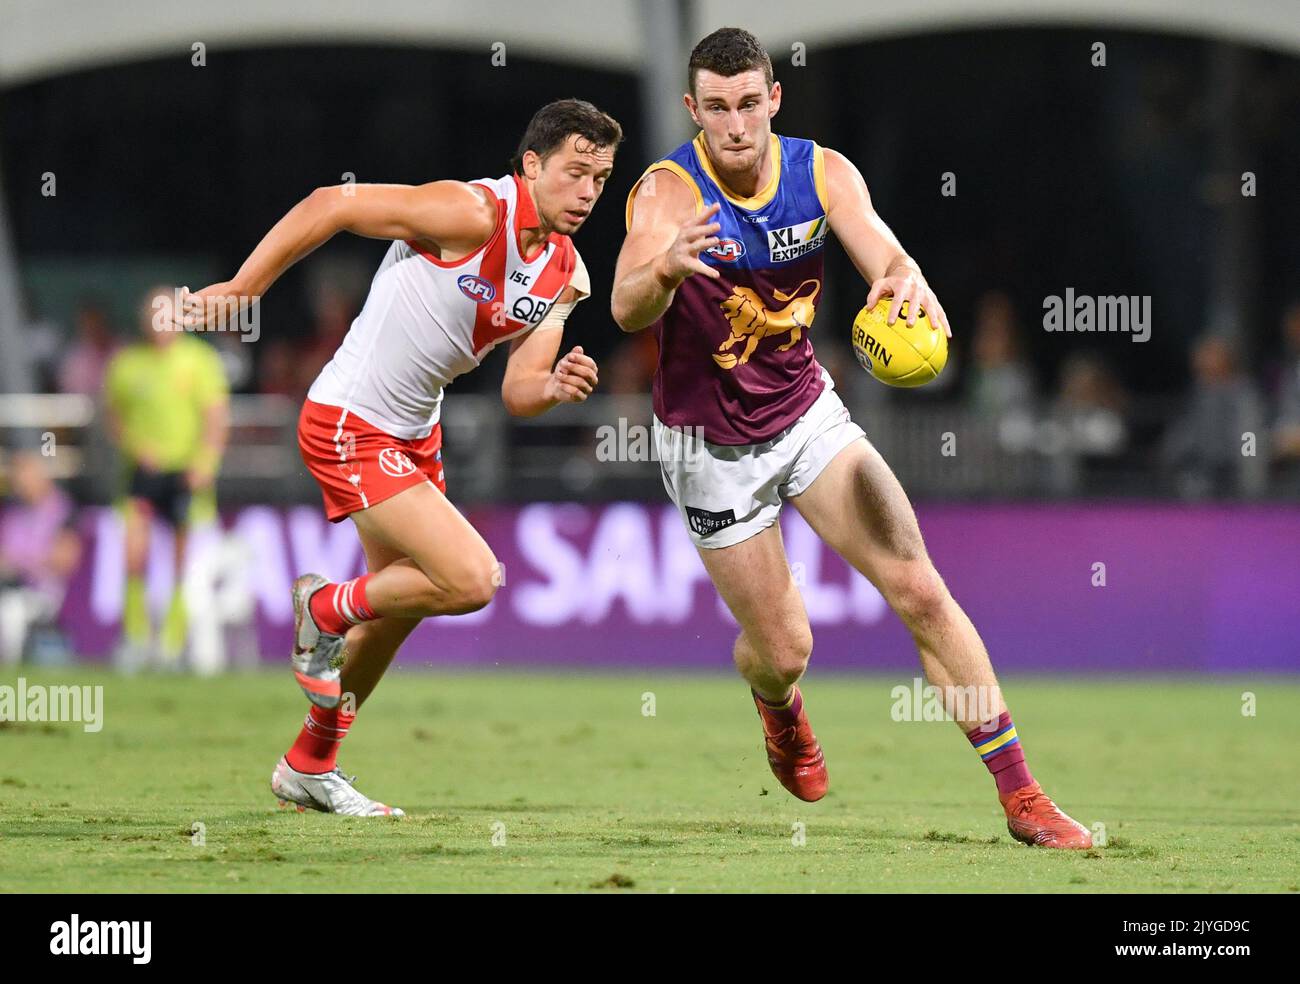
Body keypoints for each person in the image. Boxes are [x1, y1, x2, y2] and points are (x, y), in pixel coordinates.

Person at [612, 28, 1091, 848]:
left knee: (920, 588)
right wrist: (660, 271)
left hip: (806, 415)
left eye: (750, 104)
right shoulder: (666, 194)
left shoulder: (823, 171)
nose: (736, 124)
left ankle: (1024, 798)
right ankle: (778, 707)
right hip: (710, 449)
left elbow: (885, 253)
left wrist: (908, 281)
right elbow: (625, 306)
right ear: (693, 110)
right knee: (786, 648)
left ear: (774, 100)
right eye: (717, 108)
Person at [180, 99, 621, 817]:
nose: (587, 193)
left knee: (399, 608)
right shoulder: (471, 212)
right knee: (473, 579)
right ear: (532, 165)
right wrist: (244, 289)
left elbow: (518, 391)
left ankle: (310, 764)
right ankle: (322, 605)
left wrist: (555, 385)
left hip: (415, 437)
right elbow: (333, 203)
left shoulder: (566, 274)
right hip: (351, 420)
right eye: (575, 173)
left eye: (599, 180)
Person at [104, 288, 230, 668]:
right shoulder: (127, 364)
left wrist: (206, 462)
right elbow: (114, 416)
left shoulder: (199, 361)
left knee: (182, 558)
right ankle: (136, 636)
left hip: (183, 473)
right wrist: (134, 445)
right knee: (134, 552)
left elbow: (216, 417)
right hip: (143, 472)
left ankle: (173, 640)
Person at [0, 450, 81, 664]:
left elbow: (65, 560)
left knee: (10, 609)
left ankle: (9, 669)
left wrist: (20, 561)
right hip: (9, 584)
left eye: (25, 473)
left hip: (42, 591)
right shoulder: (11, 510)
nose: (19, 482)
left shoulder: (62, 509)